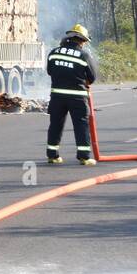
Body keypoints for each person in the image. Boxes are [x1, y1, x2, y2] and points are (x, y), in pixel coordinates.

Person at [46, 23, 97, 166]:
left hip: (57, 96)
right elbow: (92, 77)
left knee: (55, 125)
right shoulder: (84, 55)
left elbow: (49, 71)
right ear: (82, 40)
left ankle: (52, 156)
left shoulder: (54, 52)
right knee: (81, 125)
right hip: (77, 97)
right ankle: (84, 157)